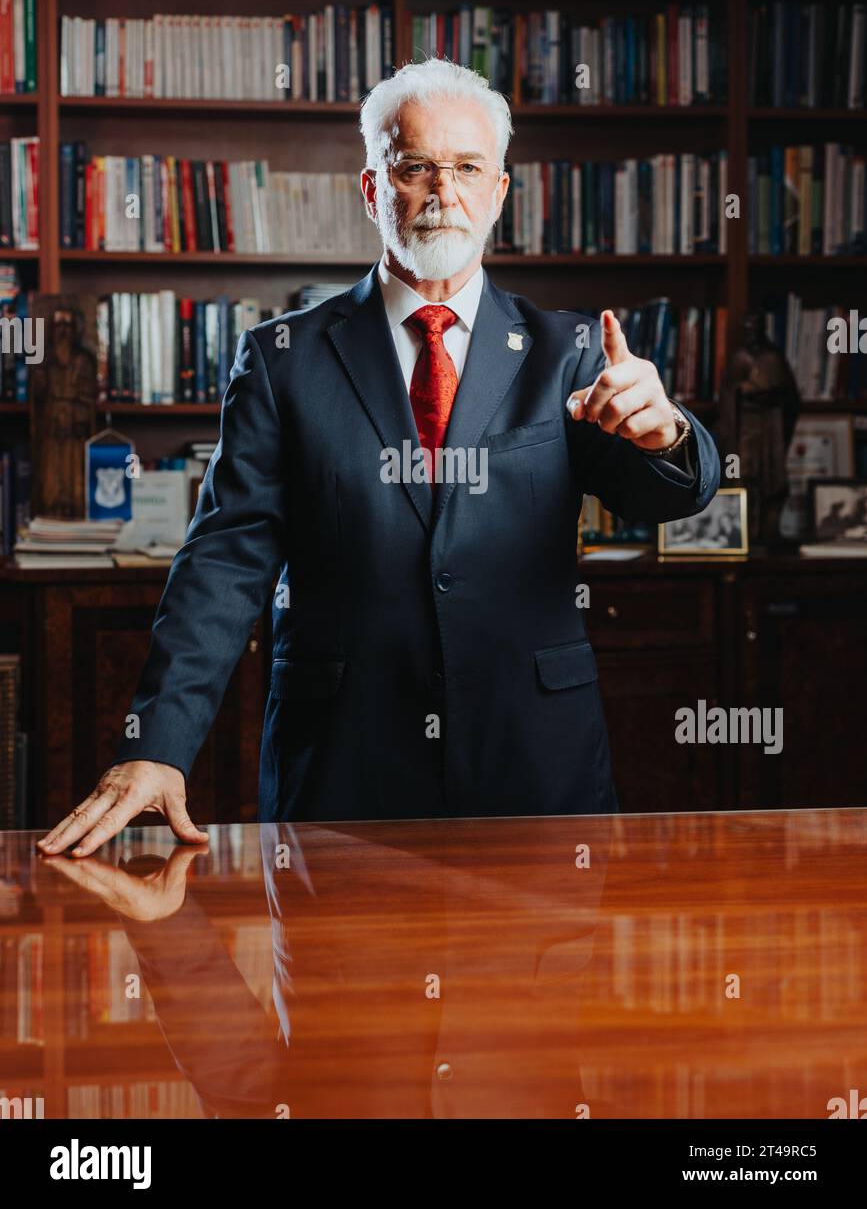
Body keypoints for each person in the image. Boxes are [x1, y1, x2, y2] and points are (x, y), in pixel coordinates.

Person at [39, 58, 720, 859]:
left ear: (499, 193)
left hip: (536, 769)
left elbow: (664, 495)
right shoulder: (283, 359)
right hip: (341, 771)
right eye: (415, 167)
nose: (443, 191)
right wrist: (156, 742)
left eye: (468, 168)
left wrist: (665, 431)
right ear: (371, 189)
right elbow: (225, 562)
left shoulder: (567, 352)